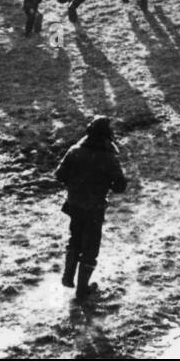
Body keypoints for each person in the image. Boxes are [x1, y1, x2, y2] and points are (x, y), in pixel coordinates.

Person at [54, 117, 127, 299]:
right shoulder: (109, 157)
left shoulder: (74, 151)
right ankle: (82, 290)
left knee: (75, 239)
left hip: (75, 204)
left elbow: (59, 175)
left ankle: (68, 276)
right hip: (94, 208)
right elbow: (120, 186)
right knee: (91, 248)